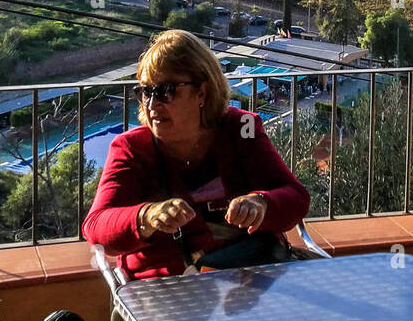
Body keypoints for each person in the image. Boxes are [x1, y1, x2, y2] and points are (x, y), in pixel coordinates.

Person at [83, 29, 309, 279]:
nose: (151, 104)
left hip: (248, 275)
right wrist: (146, 216)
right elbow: (96, 228)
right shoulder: (131, 148)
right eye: (146, 91)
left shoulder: (241, 128)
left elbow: (296, 197)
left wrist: (261, 202)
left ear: (202, 92)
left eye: (165, 91)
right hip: (168, 287)